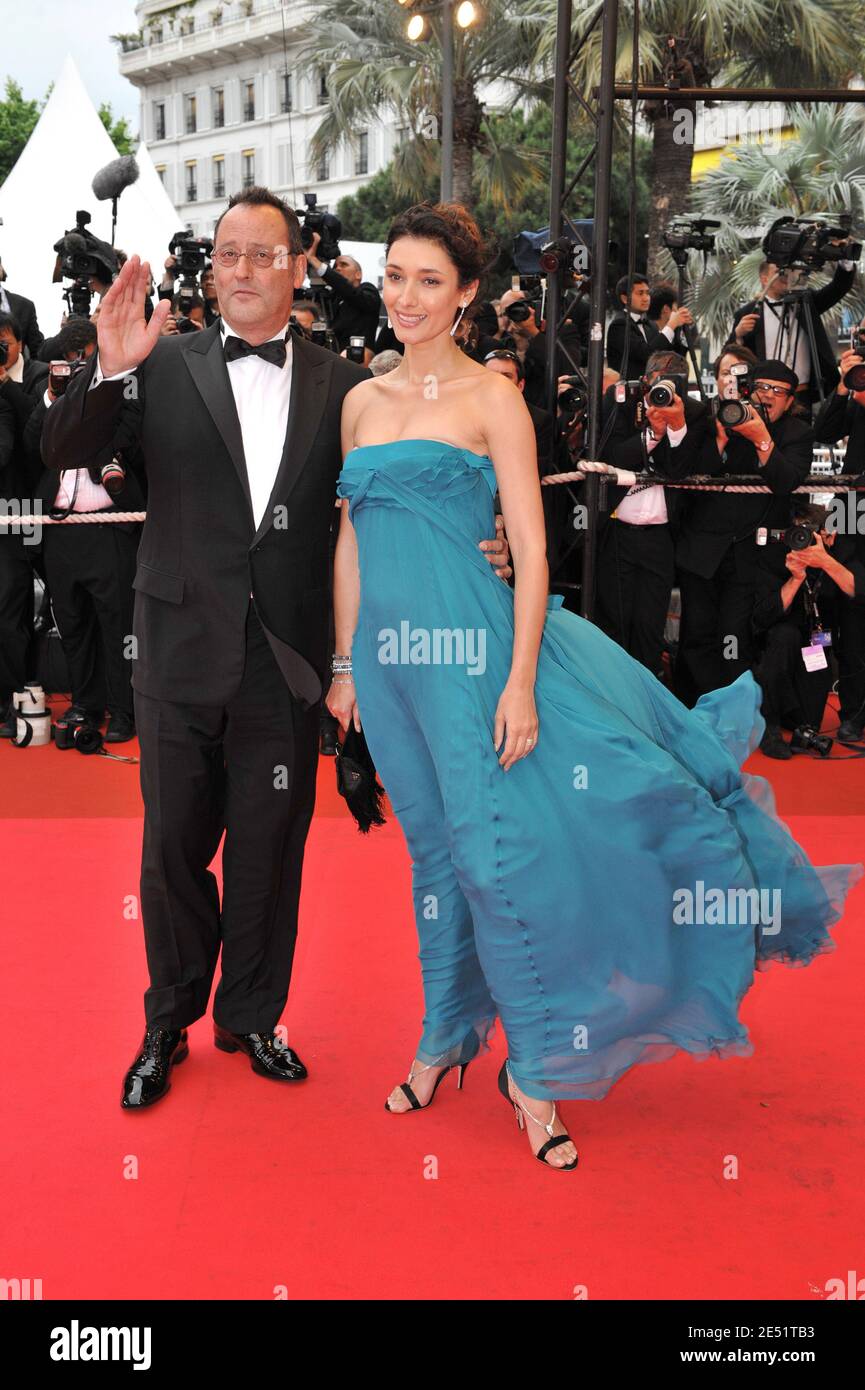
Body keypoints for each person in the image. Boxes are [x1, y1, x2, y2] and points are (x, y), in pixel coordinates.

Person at [327, 200, 861, 1172]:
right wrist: (342, 665)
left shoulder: (493, 398)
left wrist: (521, 681)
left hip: (477, 656)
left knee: (494, 863)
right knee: (435, 865)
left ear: (467, 294)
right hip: (387, 667)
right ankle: (445, 1033)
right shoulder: (360, 401)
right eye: (395, 276)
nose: (404, 297)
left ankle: (533, 1067)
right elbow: (350, 540)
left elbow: (531, 553)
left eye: (428, 281)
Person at [41, 185, 511, 1111]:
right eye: (227, 255)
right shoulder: (157, 363)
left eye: (264, 255)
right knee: (171, 851)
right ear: (208, 271)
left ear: (298, 268)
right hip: (176, 652)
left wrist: (475, 541)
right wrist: (108, 366)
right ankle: (167, 1021)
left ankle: (253, 1013)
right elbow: (61, 452)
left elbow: (395, 494)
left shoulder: (346, 384)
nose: (244, 271)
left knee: (268, 852)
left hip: (283, 663)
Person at [675, 351, 813, 702]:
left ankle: (731, 708)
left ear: (790, 400)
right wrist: (721, 439)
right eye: (762, 387)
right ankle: (695, 707)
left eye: (778, 390)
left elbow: (787, 481)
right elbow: (687, 473)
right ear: (748, 389)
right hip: (703, 548)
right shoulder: (722, 417)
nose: (767, 395)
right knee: (696, 632)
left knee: (734, 636)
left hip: (751, 554)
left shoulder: (797, 432)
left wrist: (761, 439)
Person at [585, 349, 709, 677]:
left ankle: (649, 699)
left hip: (661, 537)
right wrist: (652, 434)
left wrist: (676, 427)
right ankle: (614, 695)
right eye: (657, 383)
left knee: (650, 626)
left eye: (671, 385)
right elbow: (610, 457)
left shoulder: (694, 413)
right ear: (646, 378)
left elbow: (678, 472)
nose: (662, 391)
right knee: (614, 620)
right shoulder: (622, 399)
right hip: (617, 531)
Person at [751, 503, 865, 758]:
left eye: (810, 531)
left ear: (827, 535)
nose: (802, 538)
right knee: (785, 637)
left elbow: (857, 590)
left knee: (809, 718)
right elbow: (762, 617)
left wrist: (825, 561)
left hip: (818, 640)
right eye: (798, 531)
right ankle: (769, 726)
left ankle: (803, 723)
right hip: (780, 639)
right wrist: (796, 578)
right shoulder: (774, 556)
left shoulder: (840, 554)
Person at [730, 257, 856, 411]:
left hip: (803, 394)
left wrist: (846, 260)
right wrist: (738, 334)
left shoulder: (806, 303)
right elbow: (732, 354)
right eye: (779, 271)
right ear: (765, 279)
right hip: (764, 395)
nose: (786, 276)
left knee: (803, 433)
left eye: (790, 271)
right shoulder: (747, 313)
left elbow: (838, 288)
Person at [304, 233, 381, 356]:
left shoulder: (368, 290)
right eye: (334, 267)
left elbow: (349, 291)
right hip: (332, 358)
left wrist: (313, 259)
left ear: (358, 274)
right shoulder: (331, 297)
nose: (337, 269)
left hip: (358, 361)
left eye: (344, 265)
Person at [605, 274, 694, 377]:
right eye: (640, 293)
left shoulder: (651, 325)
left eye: (647, 293)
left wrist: (682, 327)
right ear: (625, 299)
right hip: (626, 390)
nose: (646, 298)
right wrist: (672, 324)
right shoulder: (619, 326)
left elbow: (669, 355)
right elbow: (648, 354)